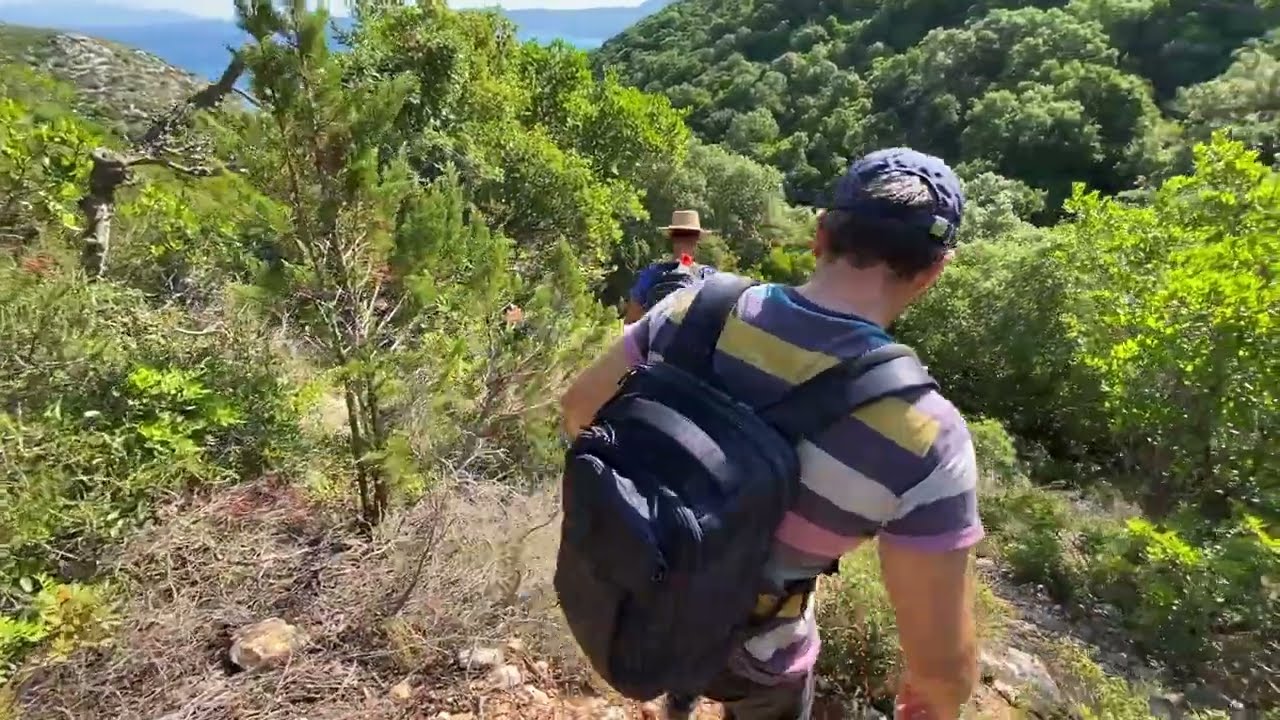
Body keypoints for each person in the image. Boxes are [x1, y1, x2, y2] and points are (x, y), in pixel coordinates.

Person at [559, 148, 982, 720]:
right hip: (751, 657)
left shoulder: (695, 306)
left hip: (631, 589)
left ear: (821, 235)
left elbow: (578, 412)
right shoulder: (927, 433)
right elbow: (941, 669)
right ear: (934, 271)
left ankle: (678, 693)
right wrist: (942, 696)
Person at [623, 209, 718, 324]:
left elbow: (631, 320)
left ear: (671, 237)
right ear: (697, 239)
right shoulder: (708, 275)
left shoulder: (651, 273)